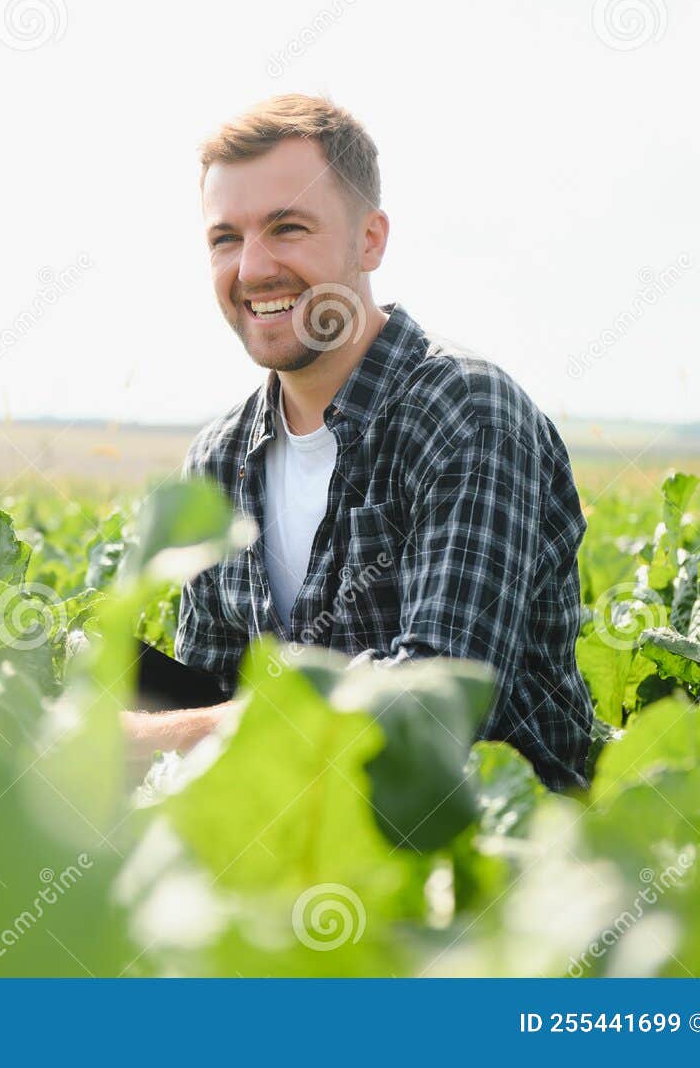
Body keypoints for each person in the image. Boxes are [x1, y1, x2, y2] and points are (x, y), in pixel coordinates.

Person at [121, 94, 592, 790]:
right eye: (226, 238)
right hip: (290, 858)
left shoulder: (465, 412)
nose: (252, 269)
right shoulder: (218, 461)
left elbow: (440, 708)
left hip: (491, 862)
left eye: (287, 228)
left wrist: (156, 737)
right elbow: (214, 690)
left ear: (370, 239)